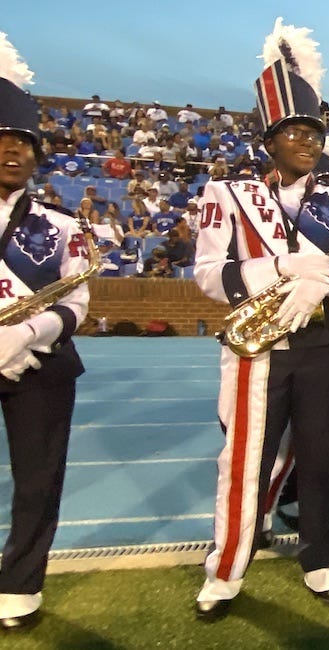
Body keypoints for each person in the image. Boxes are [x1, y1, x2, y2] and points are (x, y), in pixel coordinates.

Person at [191, 18, 329, 621]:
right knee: (246, 461)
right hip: (260, 350)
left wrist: (324, 280)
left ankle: (320, 556)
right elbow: (208, 276)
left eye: (315, 133)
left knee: (324, 457)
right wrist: (282, 268)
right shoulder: (228, 194)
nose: (308, 141)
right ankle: (226, 568)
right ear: (268, 139)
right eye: (294, 131)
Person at [0, 36, 91, 629]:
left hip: (41, 364)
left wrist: (27, 334)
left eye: (23, 143)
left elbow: (78, 300)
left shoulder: (62, 225)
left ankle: (20, 583)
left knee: (38, 479)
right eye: (2, 140)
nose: (13, 150)